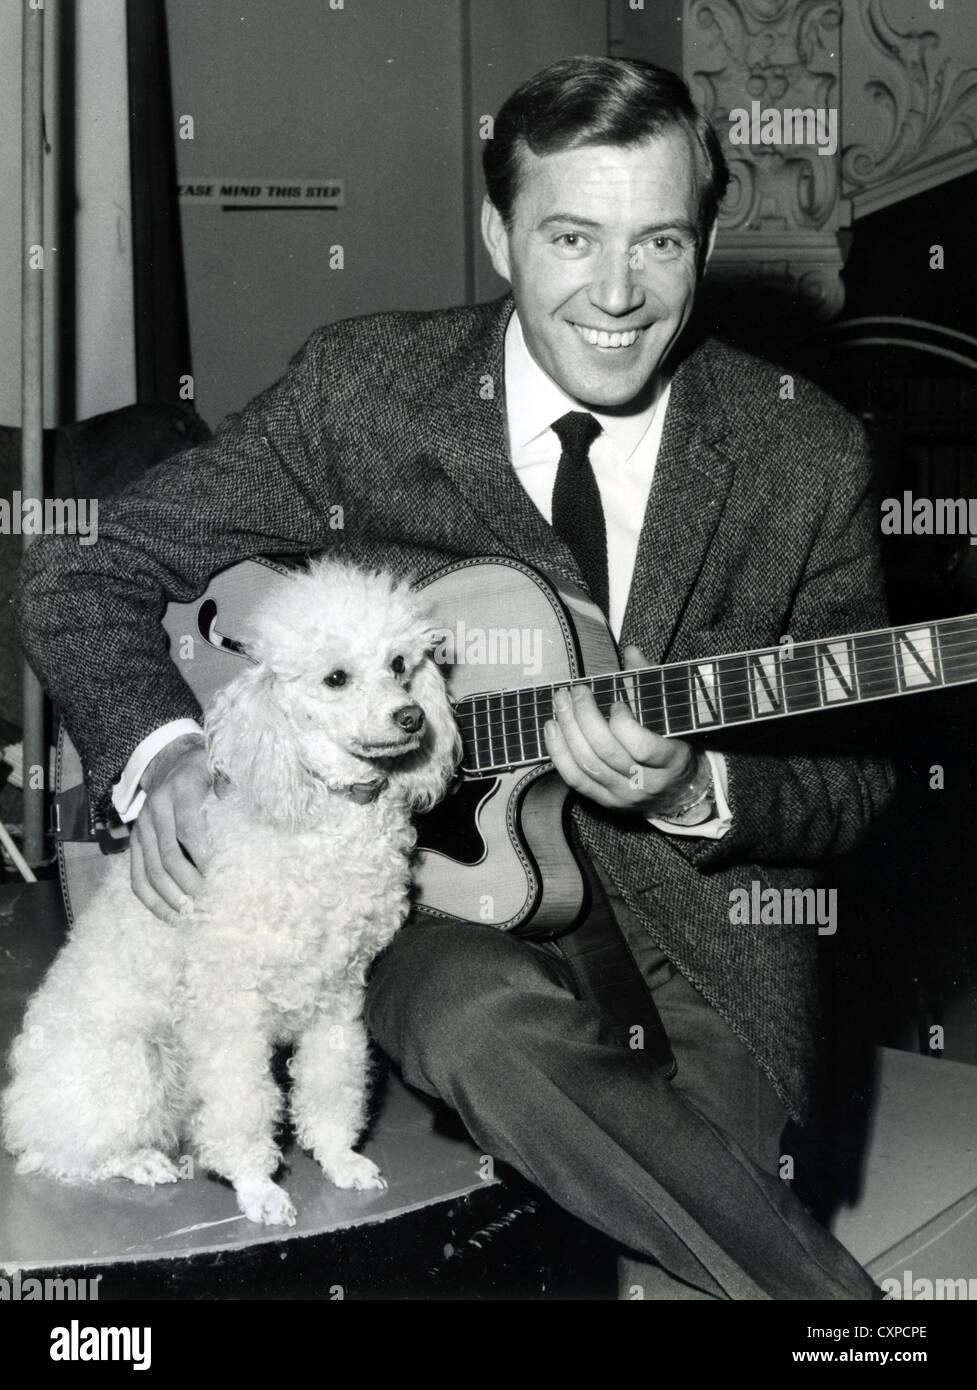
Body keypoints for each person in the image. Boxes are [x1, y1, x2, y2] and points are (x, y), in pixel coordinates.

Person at [16, 56, 891, 1299]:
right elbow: (79, 573)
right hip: (430, 896)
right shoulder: (362, 391)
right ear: (497, 232)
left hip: (708, 923)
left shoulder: (803, 448)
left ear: (703, 238)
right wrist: (166, 760)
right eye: (571, 236)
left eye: (659, 242)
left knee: (709, 1187)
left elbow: (854, 788)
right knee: (487, 1030)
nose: (616, 292)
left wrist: (700, 789)